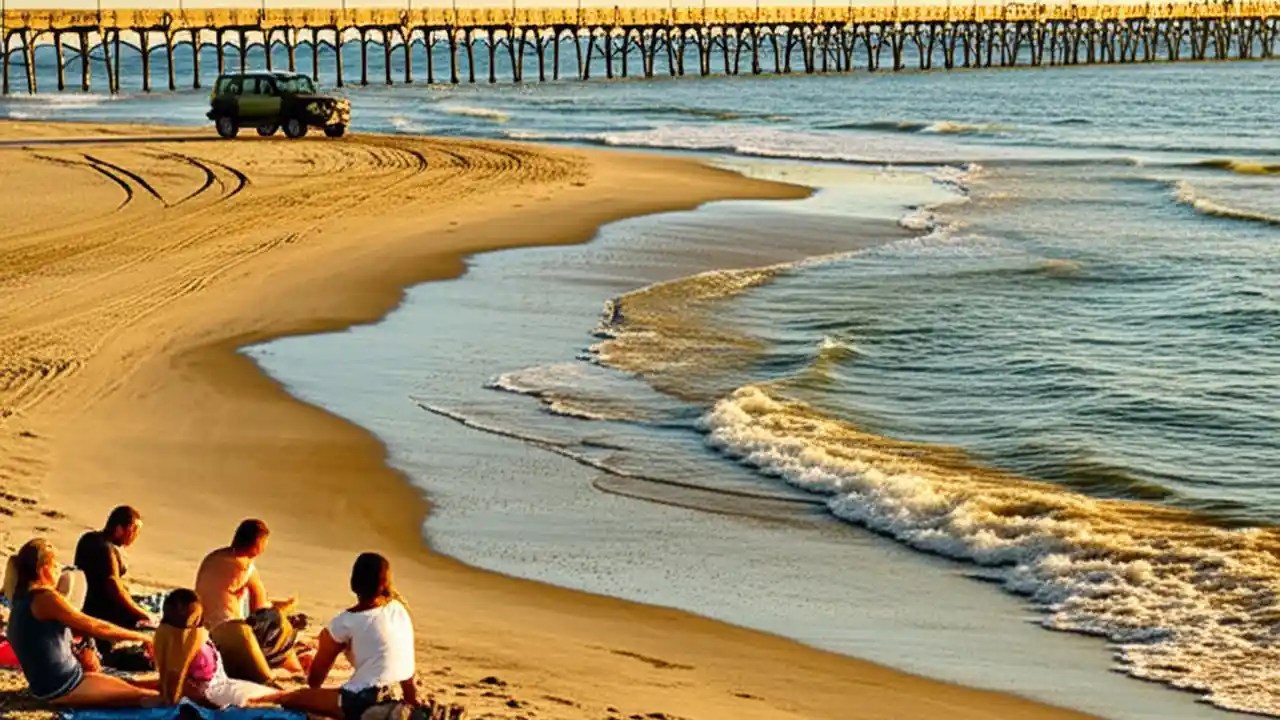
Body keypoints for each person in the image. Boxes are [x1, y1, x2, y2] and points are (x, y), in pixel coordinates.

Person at [7, 538, 157, 707]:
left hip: (52, 684)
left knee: (138, 683)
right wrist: (144, 638)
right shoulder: (44, 598)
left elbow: (53, 635)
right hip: (65, 686)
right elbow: (96, 626)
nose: (59, 570)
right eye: (55, 565)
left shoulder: (21, 599)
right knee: (147, 696)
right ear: (43, 570)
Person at [271, 553, 416, 720]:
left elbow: (316, 678)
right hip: (396, 694)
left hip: (366, 698)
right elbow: (408, 667)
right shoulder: (400, 610)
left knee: (292, 698)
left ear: (354, 583)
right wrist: (411, 699)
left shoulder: (346, 622)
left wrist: (312, 691)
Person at [195, 519, 306, 679]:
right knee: (275, 621)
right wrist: (285, 608)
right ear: (258, 545)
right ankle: (295, 670)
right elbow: (260, 610)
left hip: (204, 631)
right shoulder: (245, 567)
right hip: (230, 634)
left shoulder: (214, 556)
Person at [154, 588, 278, 708]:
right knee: (276, 699)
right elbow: (177, 678)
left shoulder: (172, 633)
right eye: (193, 619)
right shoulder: (186, 638)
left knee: (274, 695)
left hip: (221, 685)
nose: (199, 621)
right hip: (212, 693)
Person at [74, 505, 153, 636]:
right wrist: (141, 613)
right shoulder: (106, 549)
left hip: (86, 601)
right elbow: (113, 585)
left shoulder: (88, 538)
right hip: (101, 611)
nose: (135, 536)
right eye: (133, 530)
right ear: (119, 529)